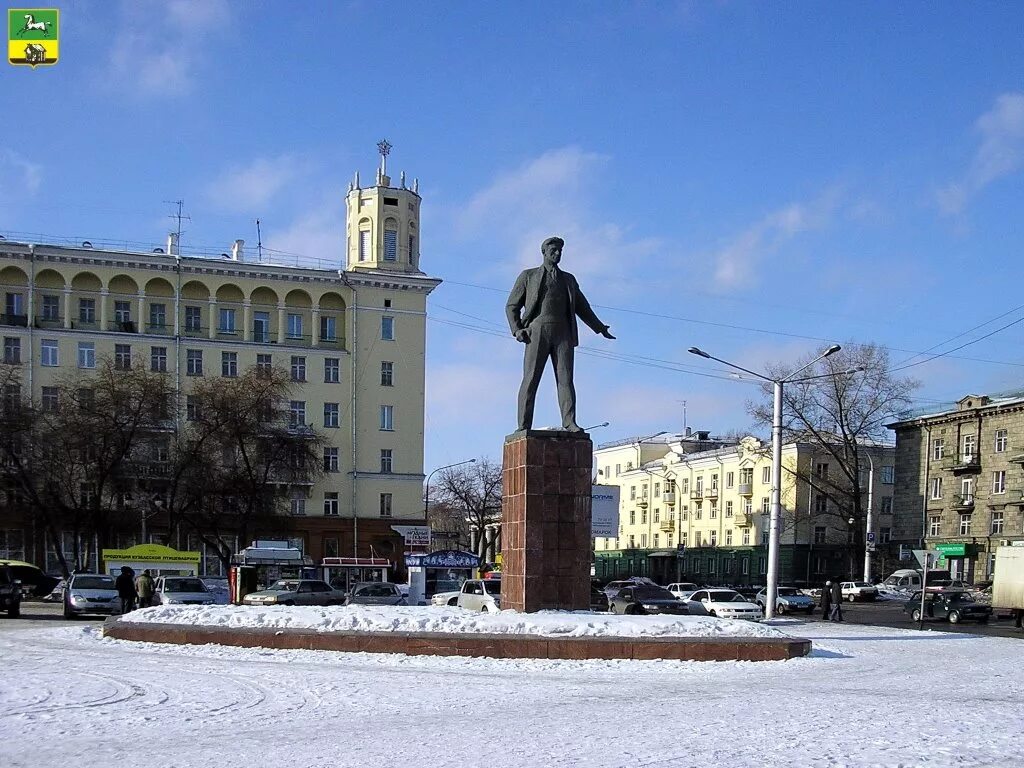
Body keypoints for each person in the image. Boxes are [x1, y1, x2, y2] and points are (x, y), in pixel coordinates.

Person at [505, 237, 615, 432]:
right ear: (544, 252)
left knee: (566, 379)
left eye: (560, 251)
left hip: (563, 332)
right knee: (531, 379)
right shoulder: (528, 276)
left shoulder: (568, 279)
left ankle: (569, 421)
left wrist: (599, 327)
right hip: (536, 331)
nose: (557, 254)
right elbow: (512, 306)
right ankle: (523, 425)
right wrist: (517, 329)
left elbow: (582, 307)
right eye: (553, 250)